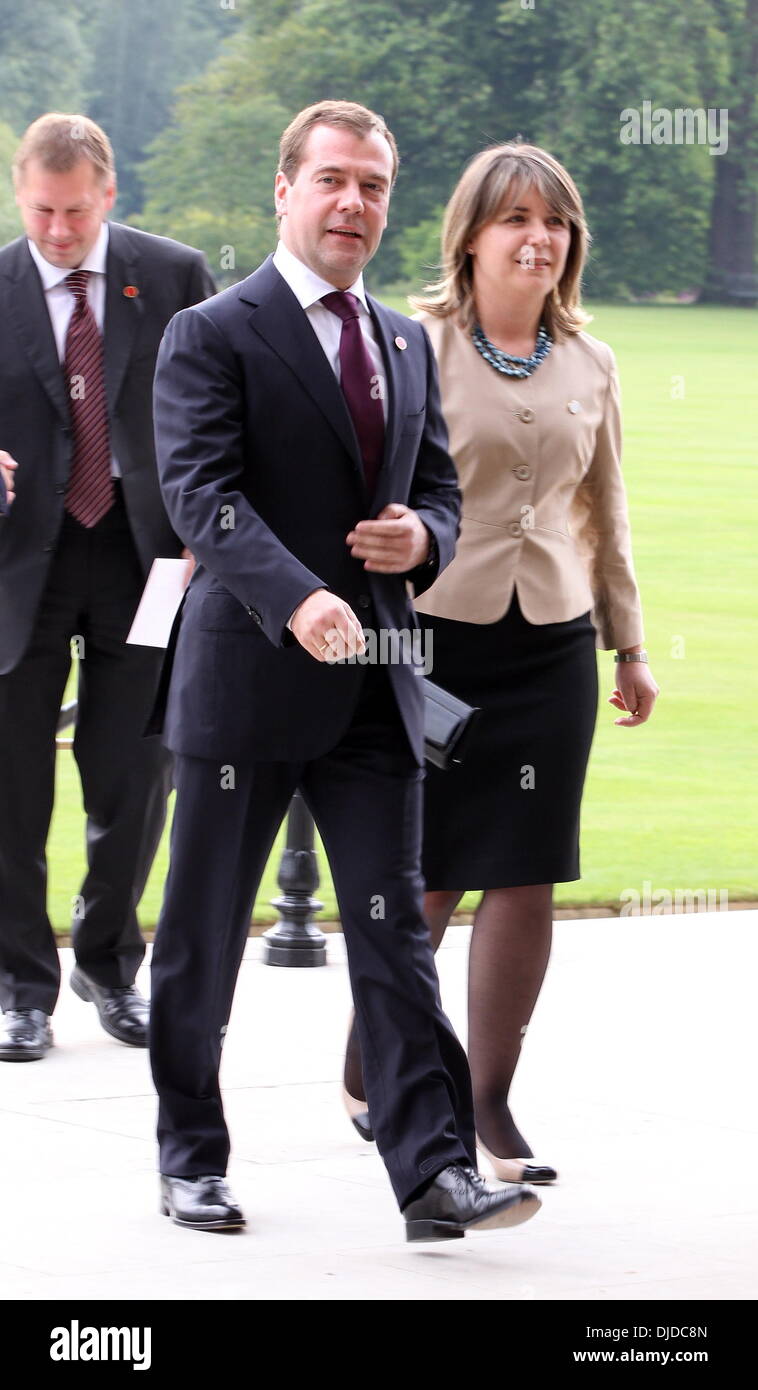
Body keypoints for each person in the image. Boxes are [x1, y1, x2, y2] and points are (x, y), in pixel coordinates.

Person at [148, 101, 542, 1242]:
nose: (352, 203)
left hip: (375, 684)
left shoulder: (406, 342)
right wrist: (301, 597)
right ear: (285, 189)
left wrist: (423, 541)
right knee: (202, 933)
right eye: (331, 180)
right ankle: (189, 1160)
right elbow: (201, 497)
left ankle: (431, 1175)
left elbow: (437, 495)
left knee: (390, 932)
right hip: (246, 682)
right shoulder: (213, 331)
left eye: (371, 185)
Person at [343, 142, 659, 1182]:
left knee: (526, 870)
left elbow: (602, 512)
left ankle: (485, 1102)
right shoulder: (412, 342)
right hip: (435, 636)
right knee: (427, 872)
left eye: (554, 222)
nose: (537, 237)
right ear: (470, 235)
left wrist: (629, 643)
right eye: (516, 219)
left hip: (554, 643)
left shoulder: (590, 361)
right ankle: (377, 1057)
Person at [0, 114, 216, 1063]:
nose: (57, 230)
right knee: (10, 790)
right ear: (20, 194)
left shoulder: (172, 276)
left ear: (109, 194)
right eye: (42, 211)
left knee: (136, 776)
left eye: (75, 211)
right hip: (18, 566)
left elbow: (221, 403)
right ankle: (18, 987)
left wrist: (215, 525)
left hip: (149, 561)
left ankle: (109, 962)